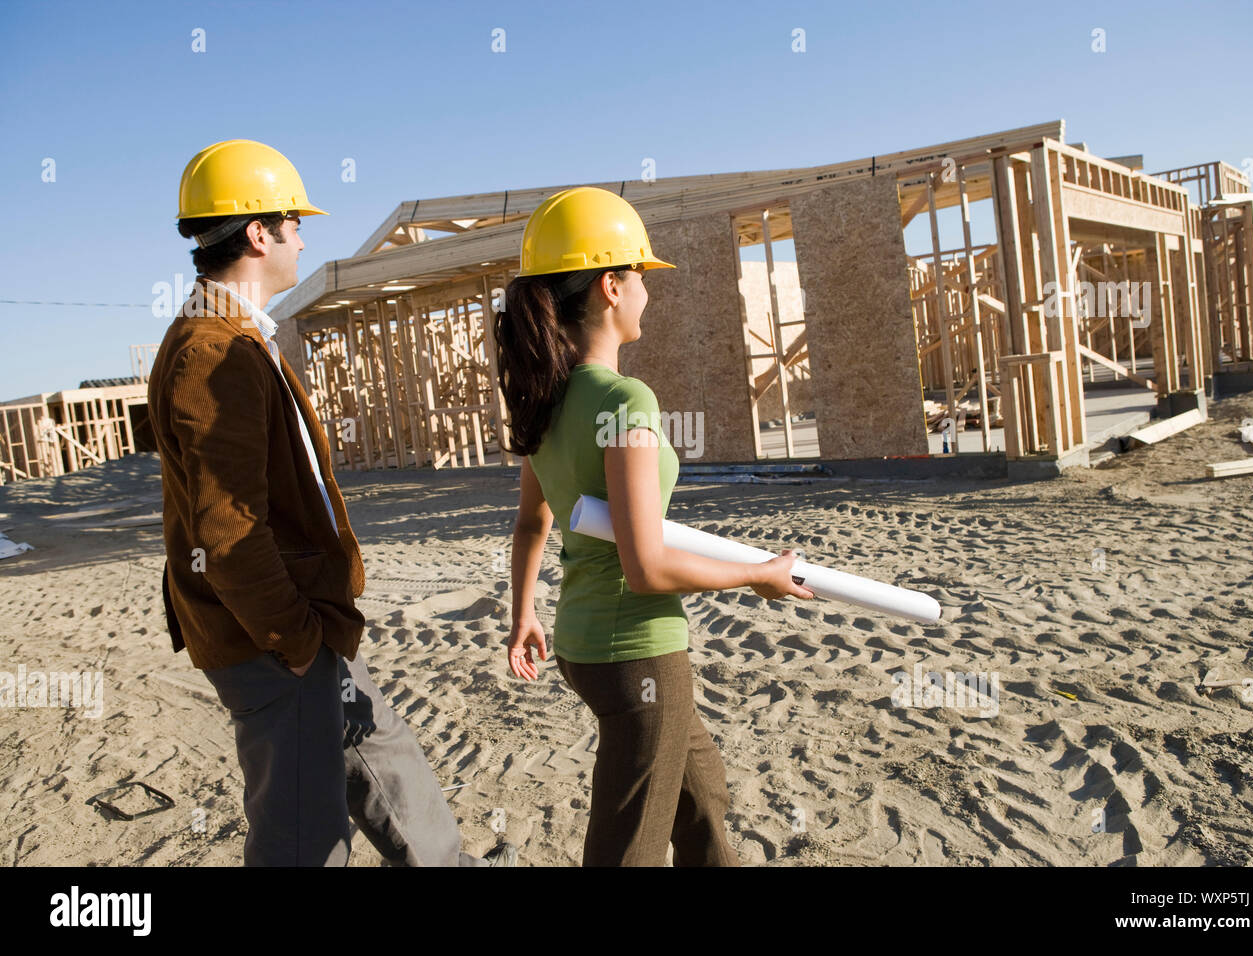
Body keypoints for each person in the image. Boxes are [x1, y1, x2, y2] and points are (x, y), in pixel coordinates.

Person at [149, 139, 515, 867]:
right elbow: (228, 529)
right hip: (271, 637)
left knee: (389, 761)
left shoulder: (241, 338)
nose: (304, 238)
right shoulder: (213, 352)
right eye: (295, 224)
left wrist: (313, 634)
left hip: (303, 624)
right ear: (260, 232)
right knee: (303, 837)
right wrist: (294, 642)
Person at [496, 186, 813, 866]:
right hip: (638, 651)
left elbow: (531, 522)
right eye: (641, 277)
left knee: (703, 810)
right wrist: (760, 576)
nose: (647, 292)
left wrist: (523, 613)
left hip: (585, 647)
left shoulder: (545, 396)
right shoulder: (624, 398)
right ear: (611, 286)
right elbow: (646, 567)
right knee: (628, 848)